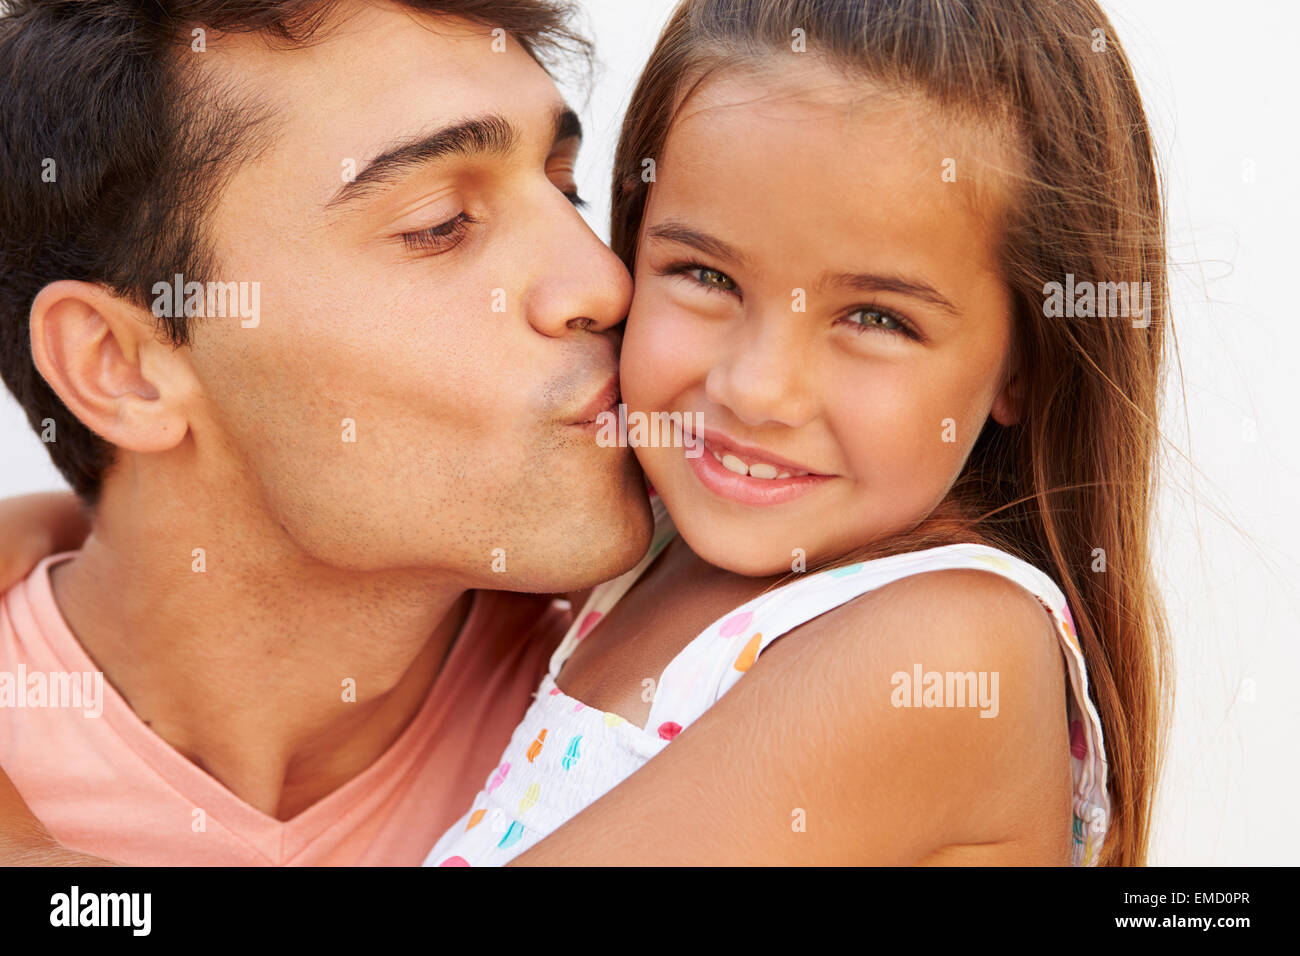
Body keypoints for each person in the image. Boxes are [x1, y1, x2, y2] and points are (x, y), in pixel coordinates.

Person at [421, 0, 1173, 866]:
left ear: (1023, 366)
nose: (757, 389)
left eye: (877, 319)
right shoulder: (641, 555)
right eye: (705, 274)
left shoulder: (945, 652)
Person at [0, 0, 653, 865]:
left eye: (566, 188)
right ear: (119, 363)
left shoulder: (689, 698)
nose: (604, 281)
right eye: (439, 226)